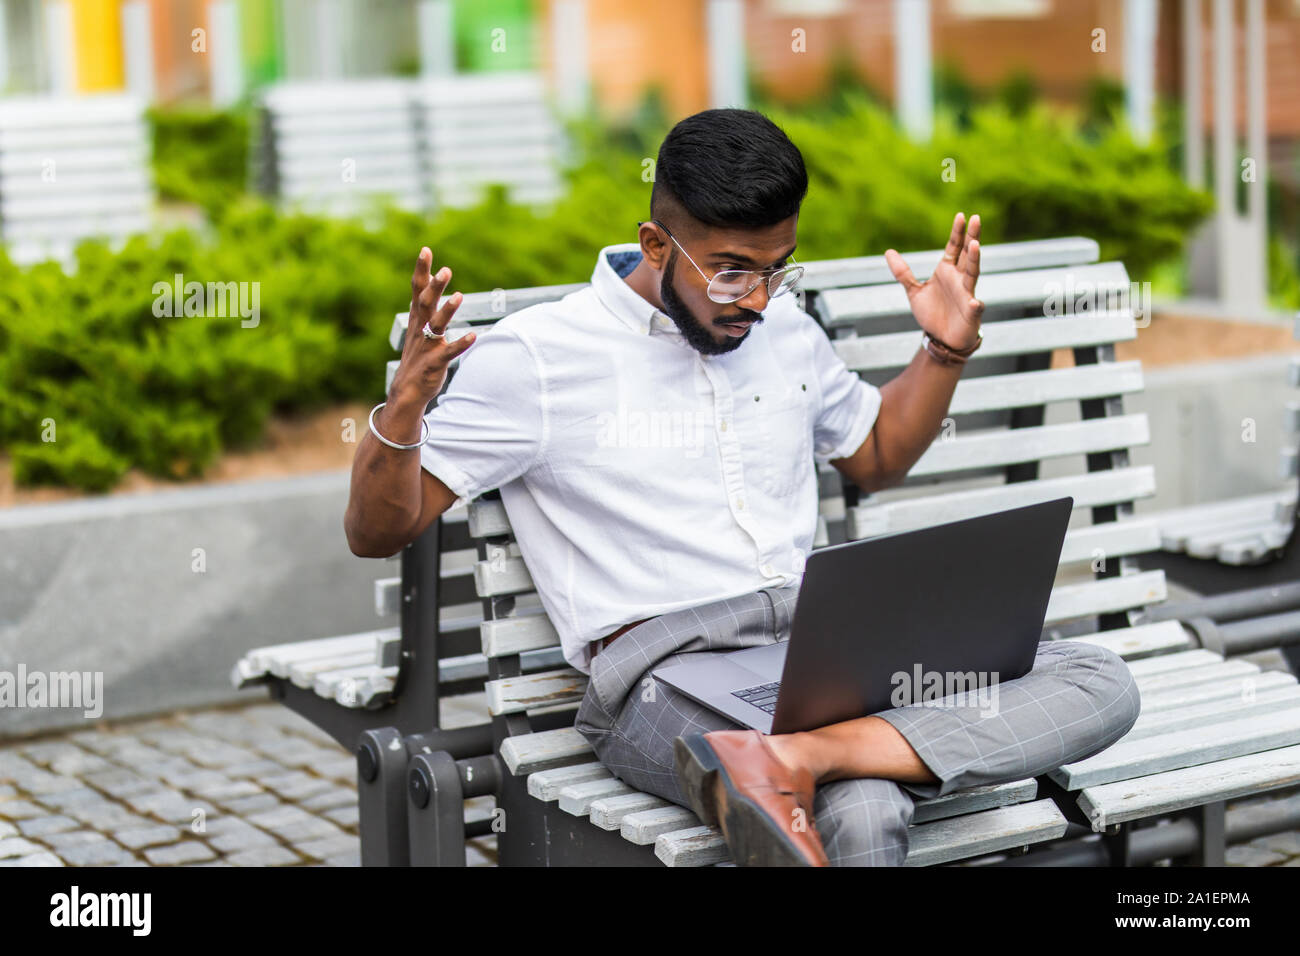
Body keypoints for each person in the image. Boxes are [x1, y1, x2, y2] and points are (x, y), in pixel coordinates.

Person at [344, 108, 1141, 867]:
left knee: (1097, 680)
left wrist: (942, 351)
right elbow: (379, 529)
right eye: (732, 274)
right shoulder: (537, 359)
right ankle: (808, 758)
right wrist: (402, 418)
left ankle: (792, 758)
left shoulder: (786, 330)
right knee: (862, 806)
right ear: (656, 244)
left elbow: (875, 454)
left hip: (822, 652)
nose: (757, 300)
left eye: (776, 270)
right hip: (662, 676)